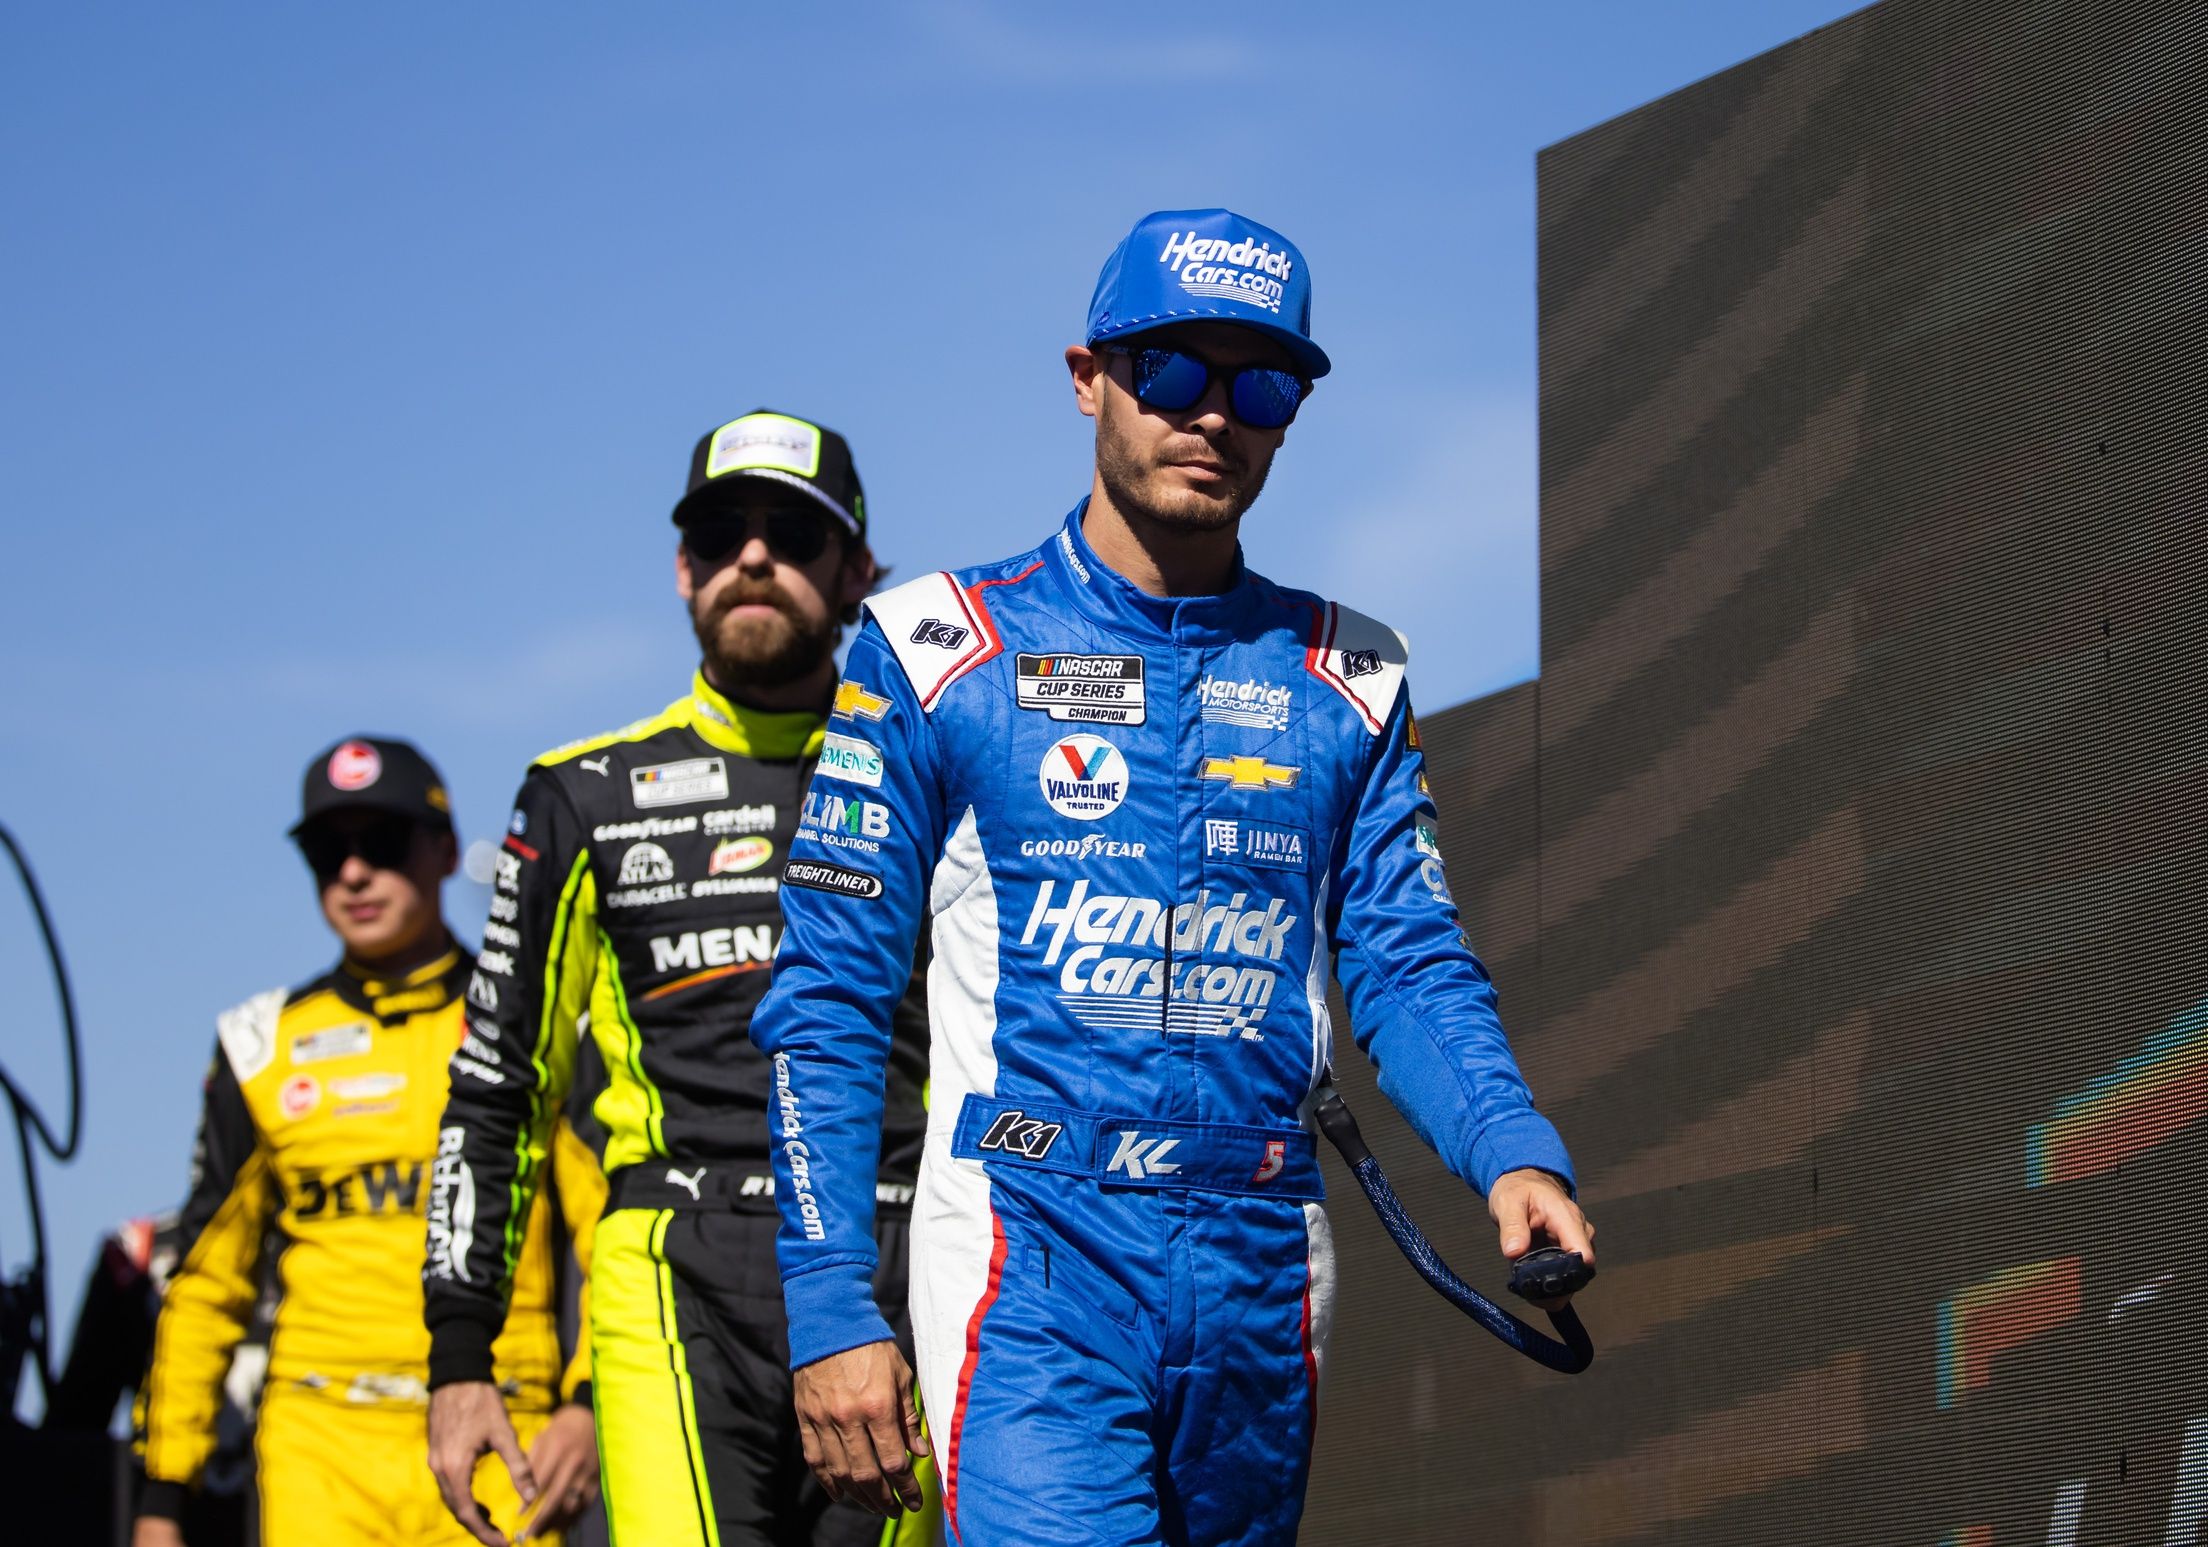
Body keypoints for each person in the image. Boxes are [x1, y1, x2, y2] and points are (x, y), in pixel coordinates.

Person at [749, 208, 1597, 1544]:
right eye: (1172, 373)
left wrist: (1510, 1152)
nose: (1214, 415)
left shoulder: (1351, 672)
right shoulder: (930, 644)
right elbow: (827, 993)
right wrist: (829, 1302)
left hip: (1263, 1258)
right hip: (1029, 1250)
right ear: (1088, 376)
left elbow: (1406, 955)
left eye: (1260, 384)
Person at [422, 411, 939, 1546]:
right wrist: (461, 1356)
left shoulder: (935, 778)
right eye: (719, 532)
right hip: (672, 1265)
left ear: (857, 570)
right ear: (681, 568)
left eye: (794, 533)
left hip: (896, 1259)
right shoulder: (580, 794)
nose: (753, 557)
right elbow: (494, 1085)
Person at [133, 736, 603, 1547]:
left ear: (448, 850)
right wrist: (162, 1498)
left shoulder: (534, 1022)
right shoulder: (259, 1044)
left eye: (381, 843)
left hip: (502, 1428)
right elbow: (206, 1283)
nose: (353, 872)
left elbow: (611, 1229)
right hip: (319, 1447)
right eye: (327, 851)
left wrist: (589, 1404)